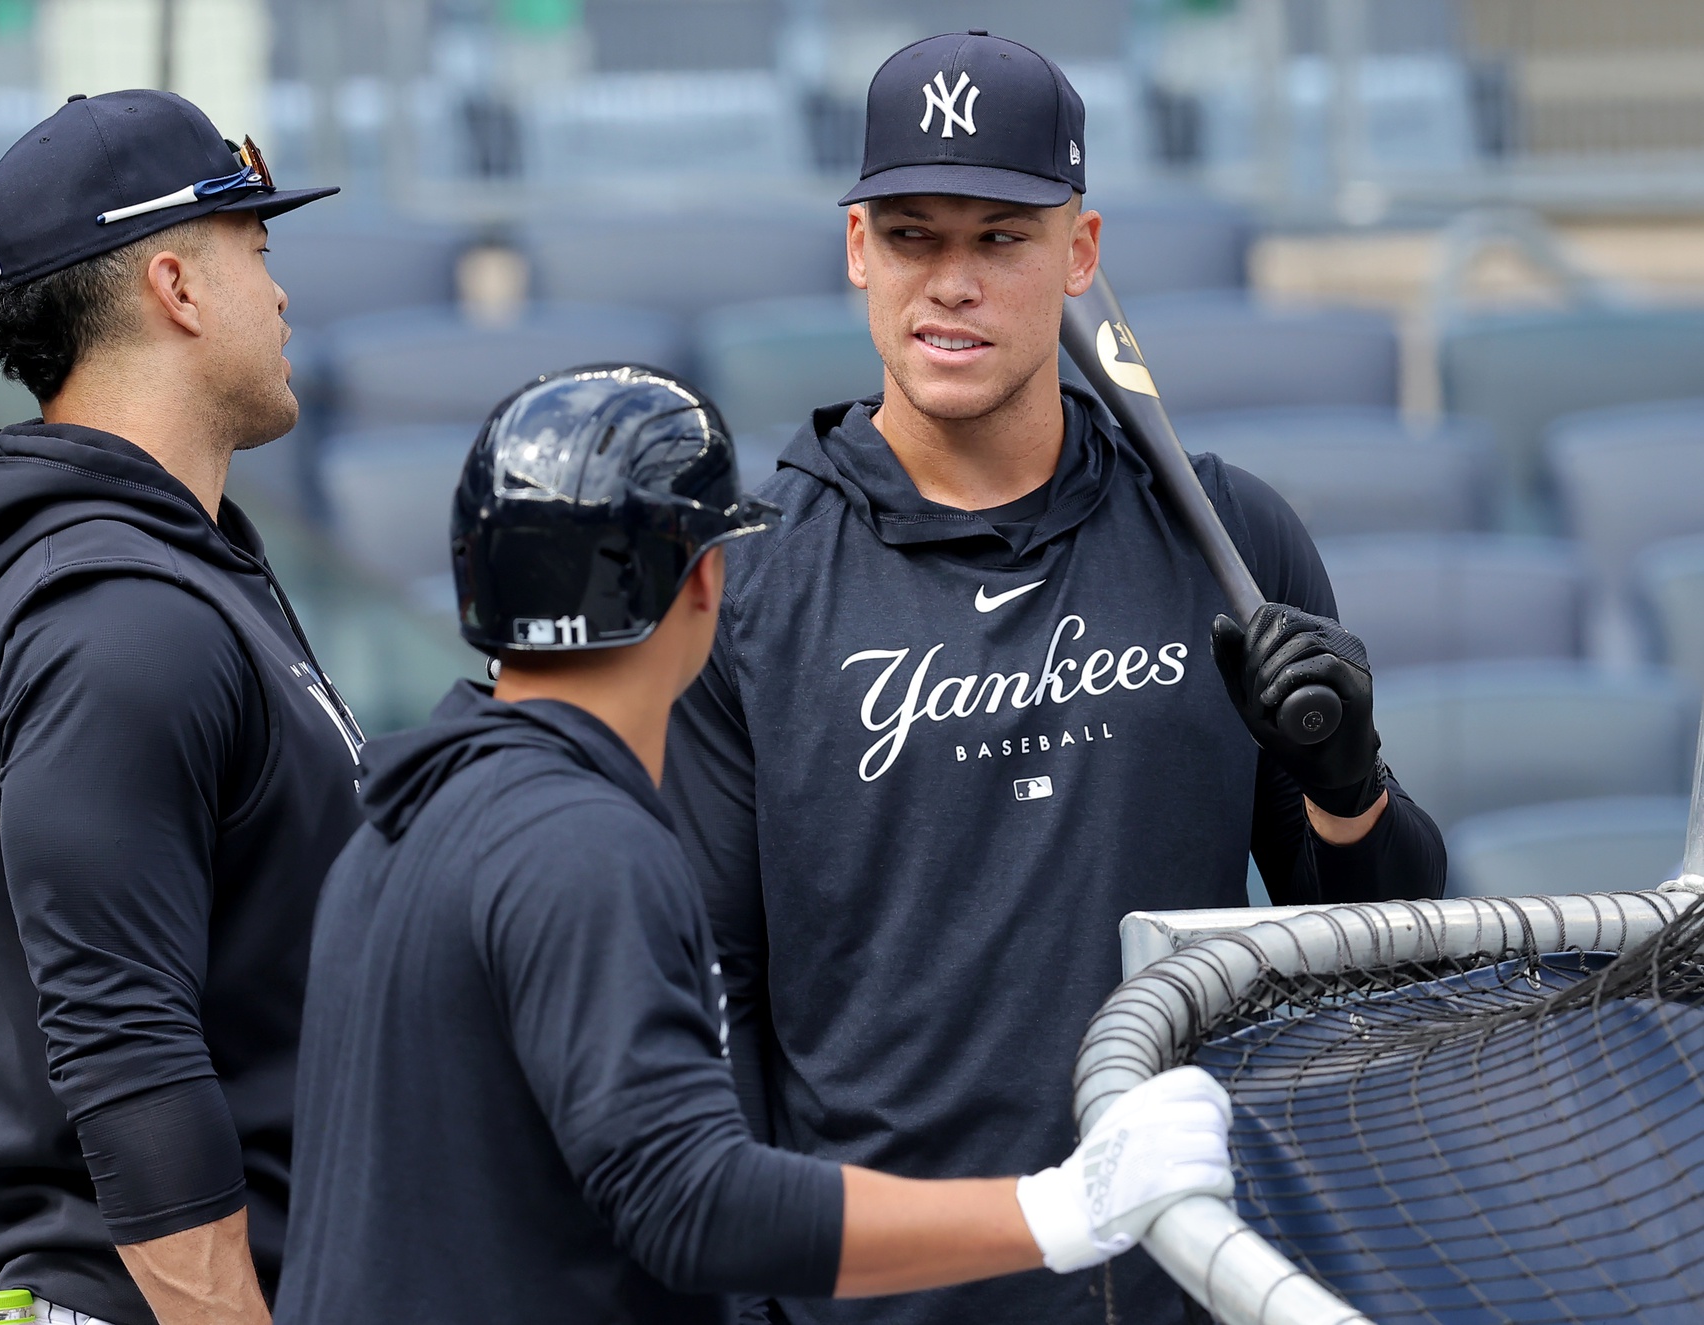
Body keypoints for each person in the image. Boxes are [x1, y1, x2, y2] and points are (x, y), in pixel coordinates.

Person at [659, 31, 1449, 1325]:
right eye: (915, 237)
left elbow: (1384, 970)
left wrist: (1349, 790)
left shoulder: (1230, 544)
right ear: (858, 248)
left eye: (1001, 239)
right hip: (879, 1300)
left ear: (1080, 254)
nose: (951, 283)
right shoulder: (747, 584)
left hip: (1176, 1278)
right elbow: (715, 997)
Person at [276, 365, 1236, 1325]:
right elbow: (688, 1202)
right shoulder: (581, 847)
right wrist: (1059, 1208)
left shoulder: (399, 830)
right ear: (705, 580)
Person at [0, 90, 360, 1325]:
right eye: (256, 253)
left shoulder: (176, 574)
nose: (278, 295)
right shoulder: (119, 616)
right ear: (174, 285)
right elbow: (127, 1048)